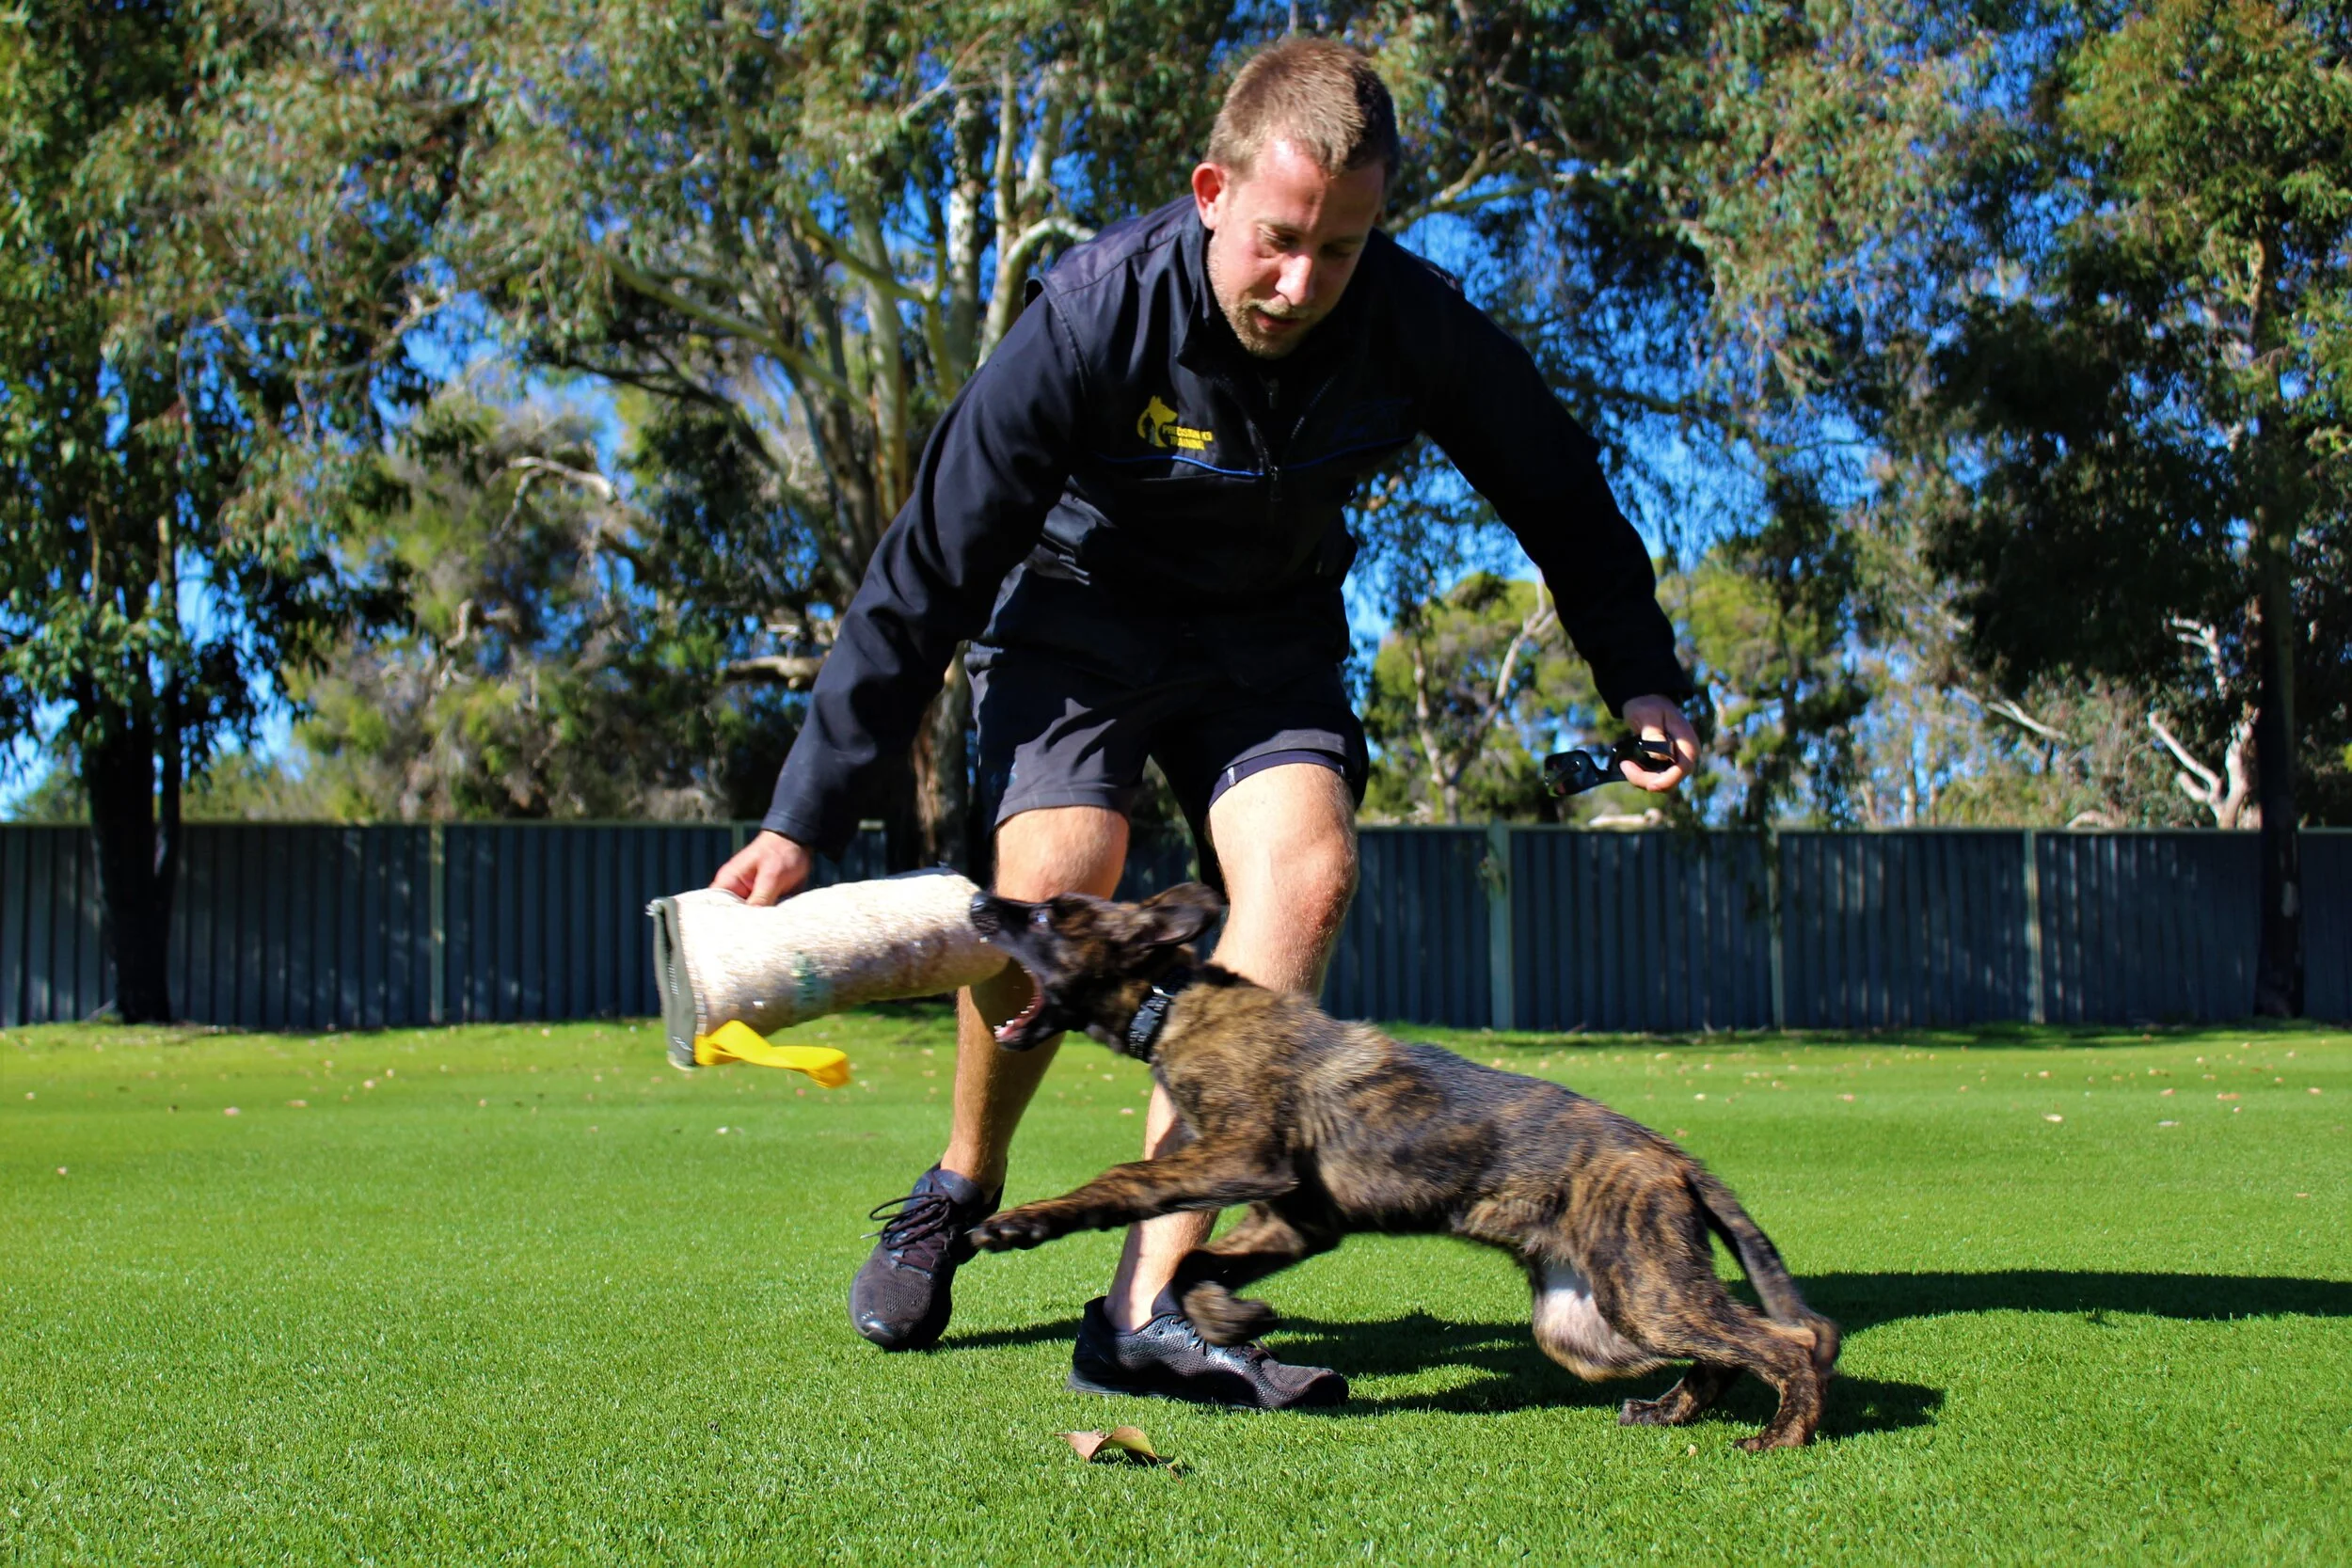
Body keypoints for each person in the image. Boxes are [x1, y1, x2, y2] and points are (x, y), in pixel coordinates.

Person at [710, 37, 1698, 1408]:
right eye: (1280, 242)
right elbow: (928, 567)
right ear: (1213, 192)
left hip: (1266, 638)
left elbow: (1558, 489)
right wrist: (800, 814)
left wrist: (1641, 673)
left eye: (1340, 252)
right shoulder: (1090, 314)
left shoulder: (1415, 324)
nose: (1301, 284)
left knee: (1306, 869)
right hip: (1080, 613)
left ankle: (1146, 1302)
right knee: (1057, 876)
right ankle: (961, 1183)